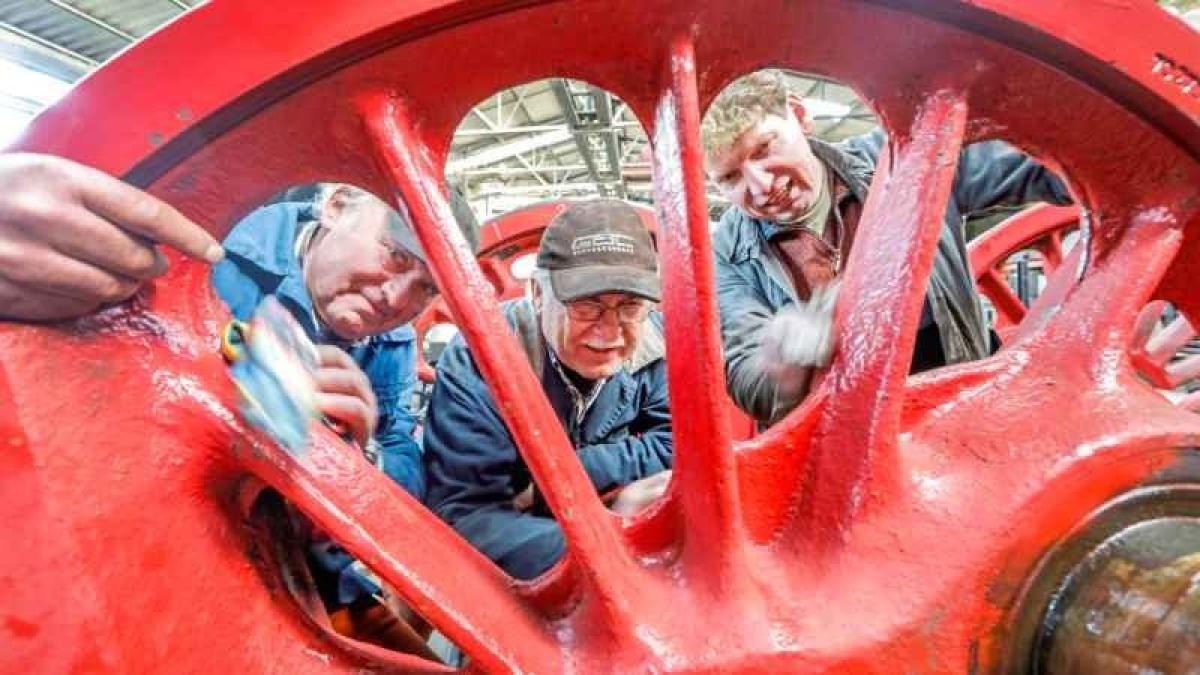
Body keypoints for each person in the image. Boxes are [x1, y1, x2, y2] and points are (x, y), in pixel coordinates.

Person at [702, 70, 1073, 427]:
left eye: (765, 148)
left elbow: (1052, 162)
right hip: (841, 438)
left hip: (956, 410)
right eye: (730, 178)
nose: (761, 185)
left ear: (799, 115)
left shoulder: (908, 158)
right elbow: (748, 382)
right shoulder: (726, 251)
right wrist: (779, 358)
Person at [423, 199, 673, 581]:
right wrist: (617, 547)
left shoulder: (653, 345)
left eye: (629, 306)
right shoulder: (480, 358)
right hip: (526, 571)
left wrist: (567, 475)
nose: (610, 332)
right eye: (587, 306)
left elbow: (675, 444)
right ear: (537, 294)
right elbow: (469, 517)